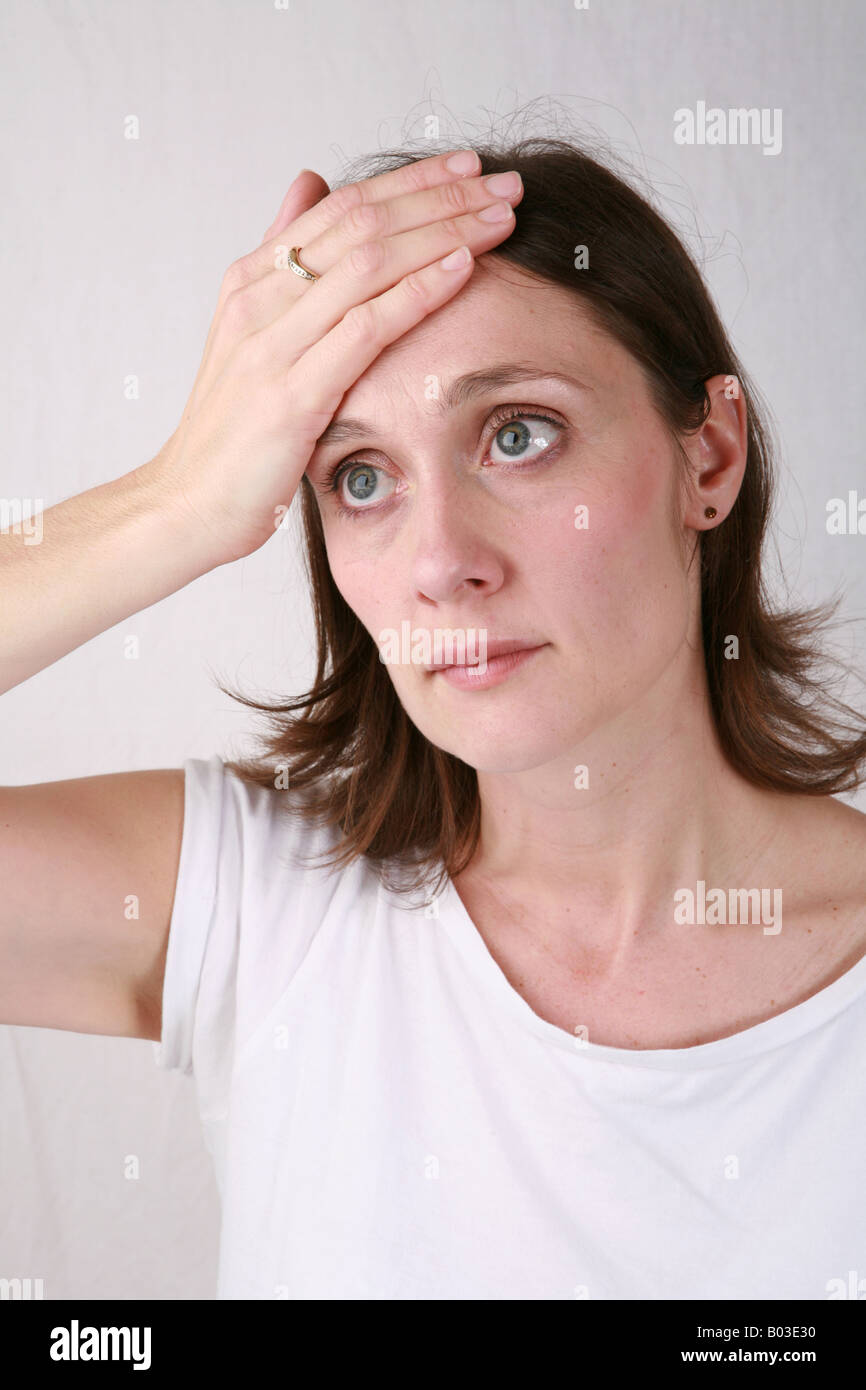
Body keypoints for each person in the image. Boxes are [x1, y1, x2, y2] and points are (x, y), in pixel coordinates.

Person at [2, 137, 865, 1301]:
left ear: (705, 456)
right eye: (361, 478)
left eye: (516, 432)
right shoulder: (256, 902)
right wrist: (178, 501)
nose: (438, 563)